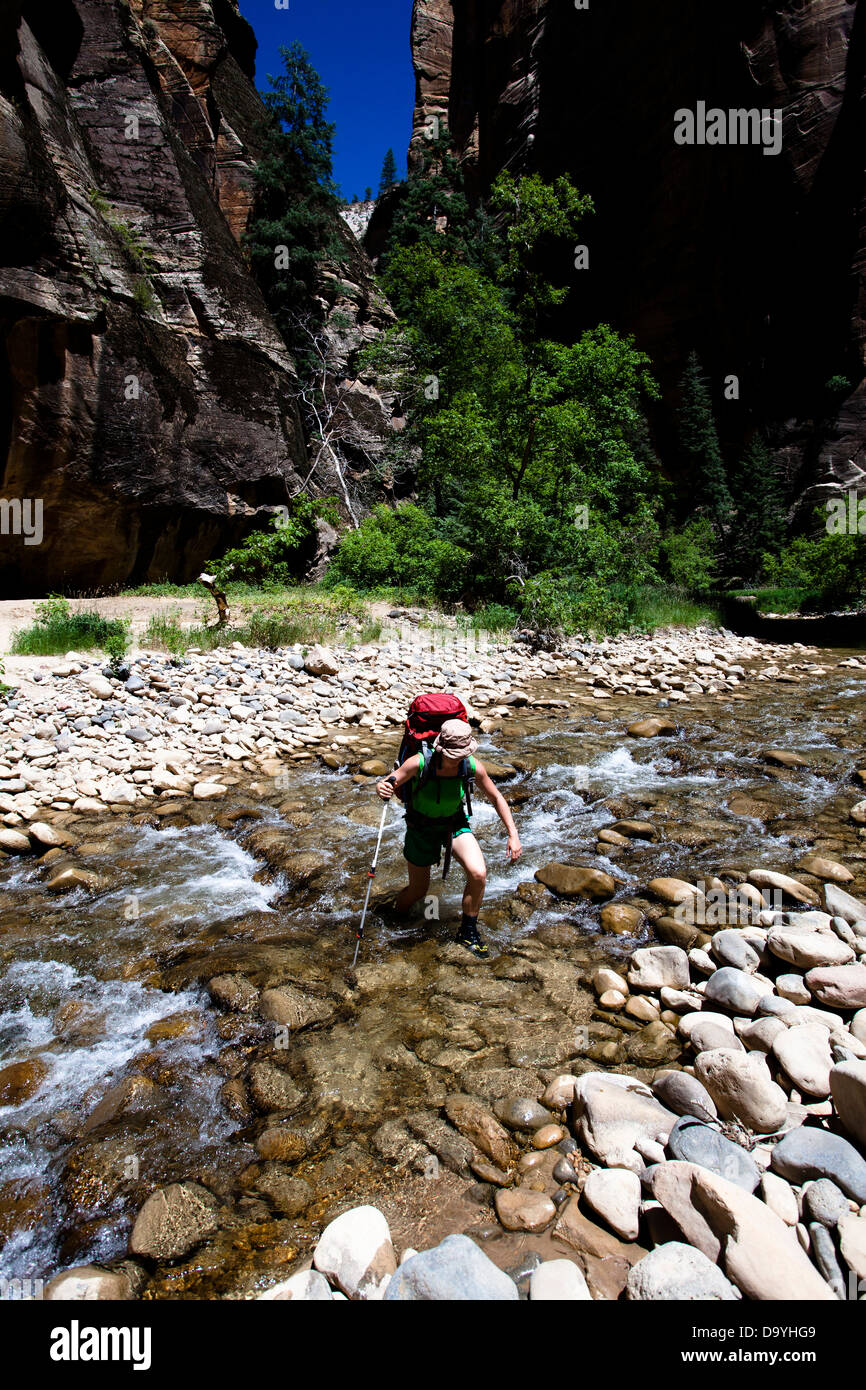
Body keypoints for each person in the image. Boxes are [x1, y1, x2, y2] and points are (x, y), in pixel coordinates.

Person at [376, 718, 521, 957]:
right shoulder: (420, 762)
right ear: (441, 749)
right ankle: (394, 918)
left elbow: (496, 798)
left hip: (454, 824)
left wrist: (513, 835)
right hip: (420, 827)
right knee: (418, 891)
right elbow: (390, 781)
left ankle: (468, 930)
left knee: (478, 873)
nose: (458, 759)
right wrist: (383, 787)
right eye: (454, 754)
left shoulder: (471, 766)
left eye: (462, 754)